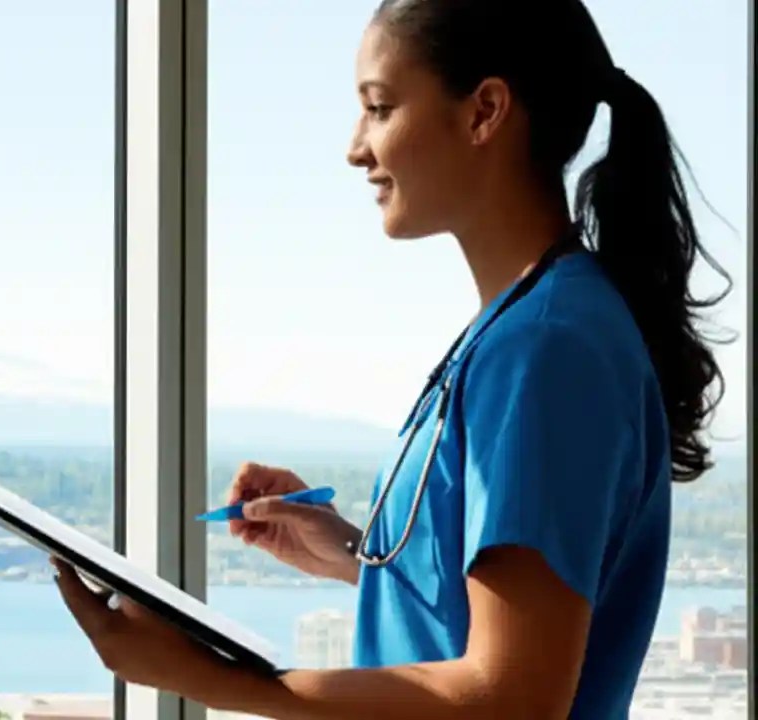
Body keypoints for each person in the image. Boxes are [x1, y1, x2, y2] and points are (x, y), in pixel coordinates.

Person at [51, 0, 733, 718]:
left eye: (378, 108)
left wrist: (204, 675)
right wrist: (355, 552)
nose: (356, 147)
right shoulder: (527, 328)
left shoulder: (548, 349)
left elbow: (513, 699)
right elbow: (489, 614)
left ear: (484, 112)